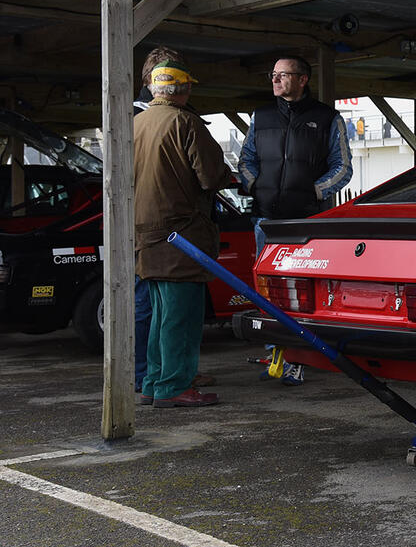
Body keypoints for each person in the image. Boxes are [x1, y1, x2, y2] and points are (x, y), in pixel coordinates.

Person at [237, 55, 352, 385]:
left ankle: (300, 359)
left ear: (302, 79)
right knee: (267, 290)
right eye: (272, 75)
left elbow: (342, 166)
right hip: (265, 220)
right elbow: (246, 159)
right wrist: (255, 184)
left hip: (305, 222)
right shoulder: (261, 116)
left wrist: (315, 192)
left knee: (302, 292)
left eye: (282, 75)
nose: (275, 80)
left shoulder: (327, 118)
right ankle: (277, 354)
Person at [134, 58, 230, 407]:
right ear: (184, 89)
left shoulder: (135, 123)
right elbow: (211, 176)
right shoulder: (185, 122)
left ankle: (154, 383)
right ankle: (175, 386)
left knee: (159, 315)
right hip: (182, 237)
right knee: (181, 318)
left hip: (144, 237)